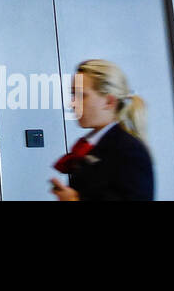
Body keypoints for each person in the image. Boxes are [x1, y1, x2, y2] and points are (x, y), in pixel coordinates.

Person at [49, 59, 154, 201]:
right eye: (73, 94)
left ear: (109, 102)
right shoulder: (93, 146)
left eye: (81, 96)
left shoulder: (129, 150)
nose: (72, 103)